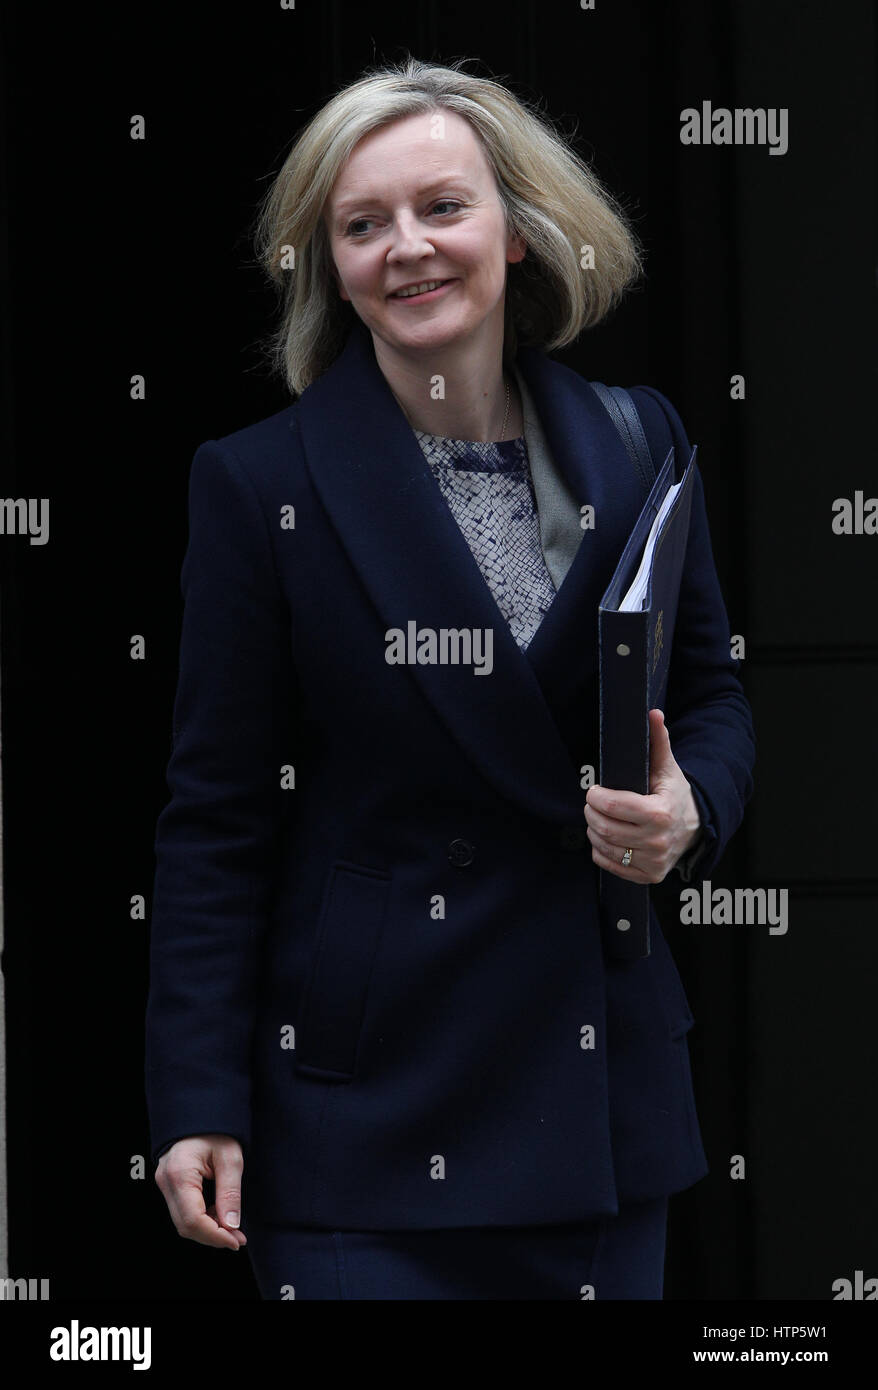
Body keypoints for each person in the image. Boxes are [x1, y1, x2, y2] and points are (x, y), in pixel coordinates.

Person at [145, 55, 755, 1300]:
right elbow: (217, 818)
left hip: (597, 1108)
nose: (406, 248)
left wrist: (691, 809)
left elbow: (711, 699)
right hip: (363, 1122)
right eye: (362, 224)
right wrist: (196, 1098)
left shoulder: (639, 437)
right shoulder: (260, 485)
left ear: (516, 233)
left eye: (441, 207)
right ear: (331, 264)